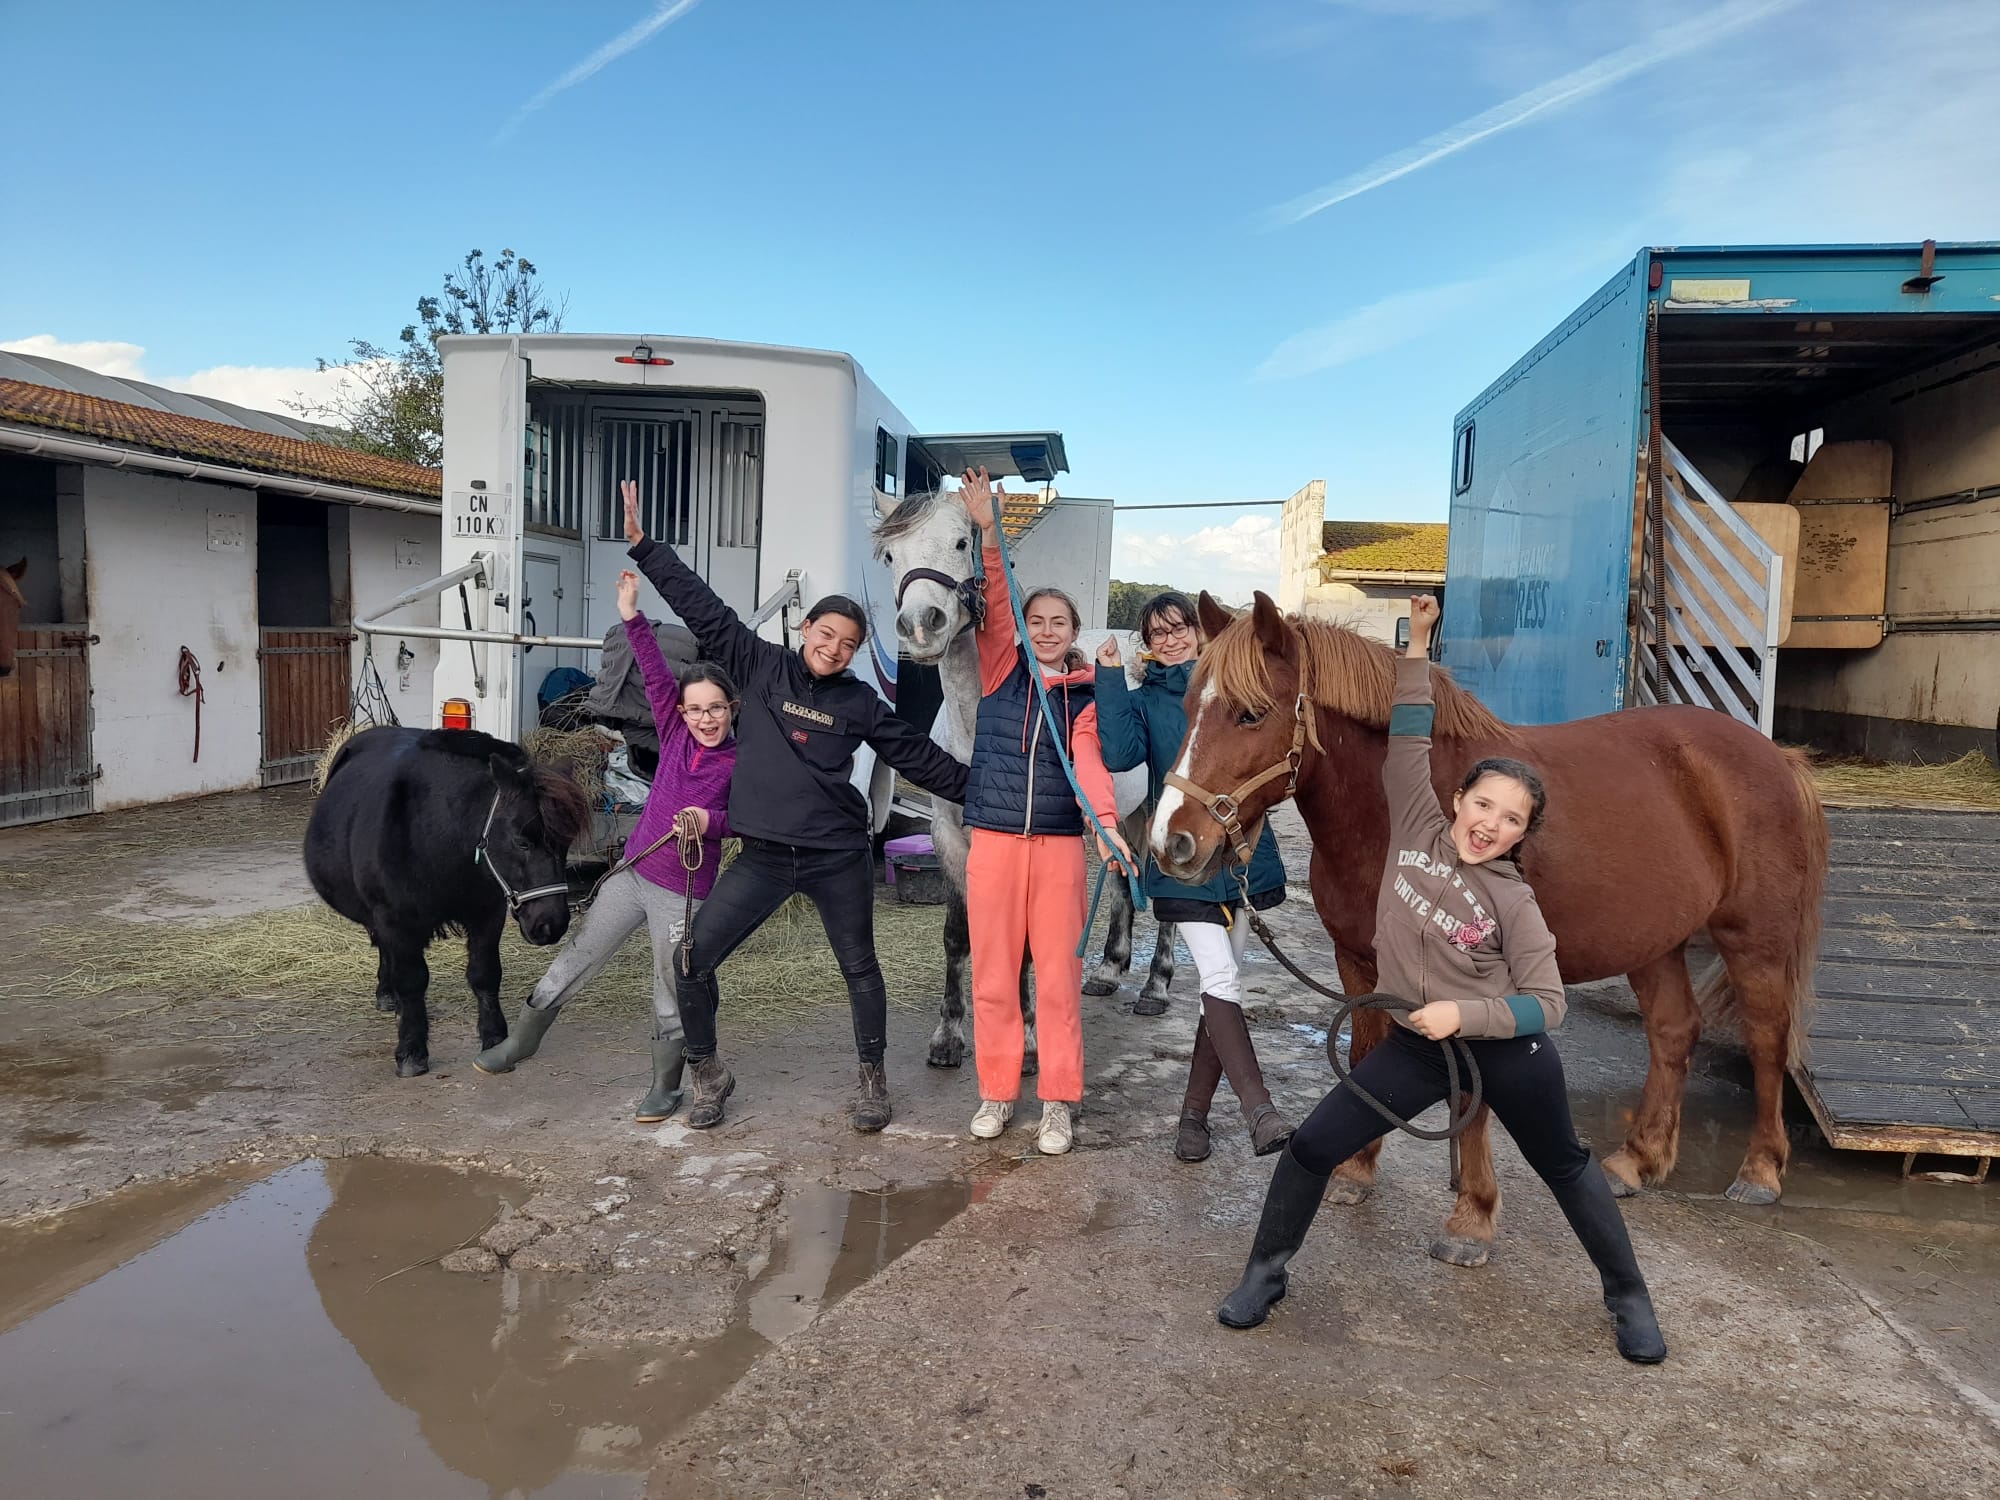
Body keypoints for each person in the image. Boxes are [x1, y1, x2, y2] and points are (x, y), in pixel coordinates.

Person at [1216, 595, 1667, 1365]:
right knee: (1310, 1148)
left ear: (1525, 834)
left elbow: (1548, 1006)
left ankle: (1628, 1295)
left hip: (1504, 1054)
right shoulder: (1416, 823)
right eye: (1483, 804)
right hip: (1415, 1050)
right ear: (1456, 800)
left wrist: (1466, 1015)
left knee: (1564, 1165)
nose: (1490, 823)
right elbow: (1411, 724)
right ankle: (1266, 1271)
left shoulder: (1514, 902)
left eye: (1512, 818)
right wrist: (1417, 644)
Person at [622, 481, 970, 1132]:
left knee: (860, 969)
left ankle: (872, 1080)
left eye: (848, 644)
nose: (833, 648)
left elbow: (925, 760)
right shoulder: (758, 665)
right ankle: (709, 1072)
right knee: (691, 959)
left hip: (835, 858)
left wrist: (992, 792)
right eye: (826, 635)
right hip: (760, 858)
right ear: (807, 629)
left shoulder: (863, 703)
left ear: (857, 651)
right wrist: (647, 549)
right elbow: (704, 610)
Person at [474, 570, 738, 1123]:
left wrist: (711, 822)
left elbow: (747, 819)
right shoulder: (672, 733)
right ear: (681, 713)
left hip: (683, 892)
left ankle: (665, 1086)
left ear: (731, 709)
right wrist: (630, 614)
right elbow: (656, 675)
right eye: (696, 709)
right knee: (580, 955)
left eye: (716, 708)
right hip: (634, 873)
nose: (705, 718)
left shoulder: (740, 761)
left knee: (671, 986)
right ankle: (523, 1041)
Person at [956, 468, 1134, 1156]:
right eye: (1038, 622)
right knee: (994, 973)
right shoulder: (1002, 668)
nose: (1048, 630)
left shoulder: (1083, 697)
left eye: (1060, 623)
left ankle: (1057, 1101)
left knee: (1058, 978)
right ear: (1024, 630)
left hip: (1058, 847)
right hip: (995, 843)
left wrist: (1107, 823)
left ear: (1076, 632)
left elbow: (1089, 763)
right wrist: (987, 534)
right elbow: (997, 601)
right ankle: (998, 1091)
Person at [1094, 594, 1293, 1161]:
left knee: (1219, 986)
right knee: (1220, 977)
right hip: (1184, 855)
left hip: (1241, 850)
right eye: (1157, 633)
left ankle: (1194, 1119)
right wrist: (1109, 679)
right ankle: (1260, 1110)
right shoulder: (1147, 699)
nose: (1171, 639)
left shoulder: (1228, 690)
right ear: (1146, 643)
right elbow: (1118, 752)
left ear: (1199, 633)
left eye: (1179, 628)